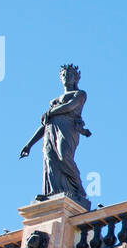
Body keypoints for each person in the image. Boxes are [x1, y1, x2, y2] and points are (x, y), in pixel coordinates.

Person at [19, 64, 91, 209]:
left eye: (70, 75)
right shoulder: (54, 102)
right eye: (64, 75)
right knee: (50, 159)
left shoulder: (80, 94)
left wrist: (51, 112)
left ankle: (78, 189)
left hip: (67, 128)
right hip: (51, 131)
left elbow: (70, 106)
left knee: (64, 156)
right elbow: (45, 126)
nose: (66, 78)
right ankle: (54, 191)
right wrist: (29, 144)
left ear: (76, 77)